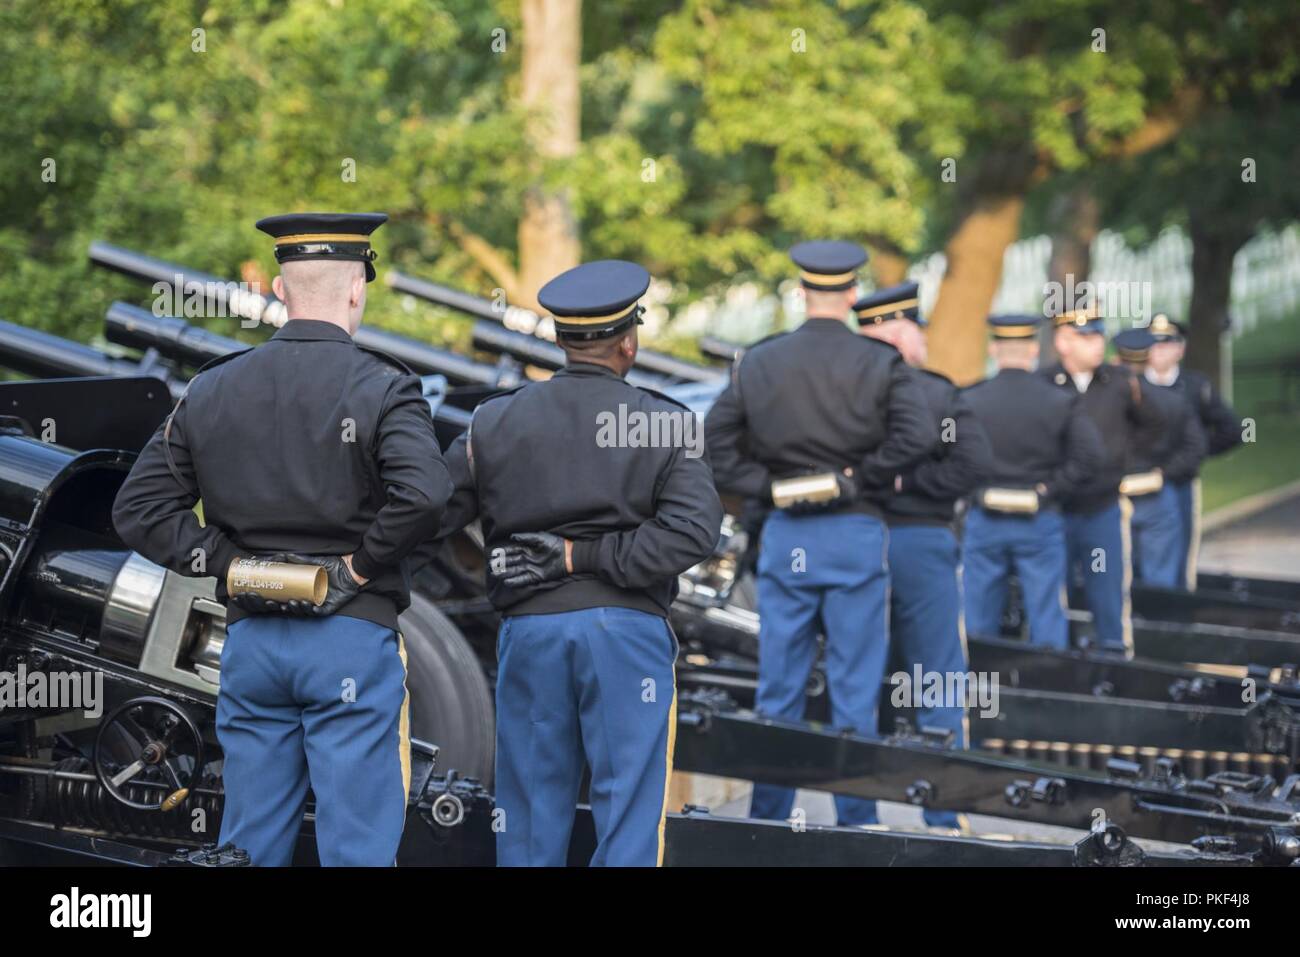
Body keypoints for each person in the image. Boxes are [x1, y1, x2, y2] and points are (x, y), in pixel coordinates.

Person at [113, 212, 453, 866]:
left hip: (253, 642)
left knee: (247, 845)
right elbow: (427, 494)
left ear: (277, 288)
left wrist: (230, 563)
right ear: (358, 289)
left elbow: (140, 508)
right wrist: (356, 569)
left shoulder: (212, 388)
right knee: (356, 846)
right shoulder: (384, 386)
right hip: (351, 636)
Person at [435, 260, 722, 867]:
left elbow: (430, 513)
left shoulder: (493, 420)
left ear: (562, 340)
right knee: (627, 821)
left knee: (530, 819)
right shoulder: (665, 422)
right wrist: (586, 555)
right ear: (629, 340)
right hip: (627, 637)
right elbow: (693, 533)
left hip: (531, 635)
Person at [705, 242, 931, 826]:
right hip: (855, 535)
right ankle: (856, 826)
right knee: (855, 694)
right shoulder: (880, 363)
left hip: (790, 540)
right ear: (853, 294)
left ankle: (768, 823)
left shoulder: (760, 361)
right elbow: (919, 436)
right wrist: (858, 478)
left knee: (778, 690)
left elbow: (715, 447)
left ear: (802, 293)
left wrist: (772, 486)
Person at [855, 281, 992, 828]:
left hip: (860, 537)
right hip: (921, 540)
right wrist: (913, 485)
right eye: (918, 328)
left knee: (856, 679)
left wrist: (888, 484)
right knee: (938, 675)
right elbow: (971, 466)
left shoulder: (847, 391)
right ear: (900, 331)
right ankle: (943, 816)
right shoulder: (936, 393)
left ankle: (857, 816)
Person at [961, 315, 1104, 650]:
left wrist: (974, 489)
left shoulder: (969, 399)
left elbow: (950, 454)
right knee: (1046, 612)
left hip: (985, 518)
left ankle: (978, 687)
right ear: (1032, 351)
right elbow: (1090, 457)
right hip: (1039, 518)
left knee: (977, 612)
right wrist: (1049, 488)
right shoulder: (1058, 400)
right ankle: (1049, 687)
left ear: (994, 349)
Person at [1041, 304, 1163, 652]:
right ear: (1063, 342)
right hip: (1056, 510)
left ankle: (1114, 661)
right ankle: (1058, 666)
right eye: (1086, 336)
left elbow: (1154, 424)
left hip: (1102, 510)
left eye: (1098, 334)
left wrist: (1123, 461)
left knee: (1108, 592)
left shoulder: (1119, 382)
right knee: (1054, 594)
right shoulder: (1045, 383)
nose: (1098, 343)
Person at [1143, 313, 1242, 588]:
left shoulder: (1195, 386)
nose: (1160, 349)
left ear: (1180, 348)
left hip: (1180, 484)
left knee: (1179, 560)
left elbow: (1231, 430)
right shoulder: (1133, 385)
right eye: (1154, 343)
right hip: (1139, 485)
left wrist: (1195, 454)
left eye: (1167, 343)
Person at [1113, 327, 1208, 588]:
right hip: (1157, 494)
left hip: (1112, 498)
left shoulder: (1103, 400)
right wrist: (1164, 473)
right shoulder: (1172, 401)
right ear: (1147, 358)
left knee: (1115, 580)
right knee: (1161, 583)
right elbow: (1195, 447)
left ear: (1118, 359)